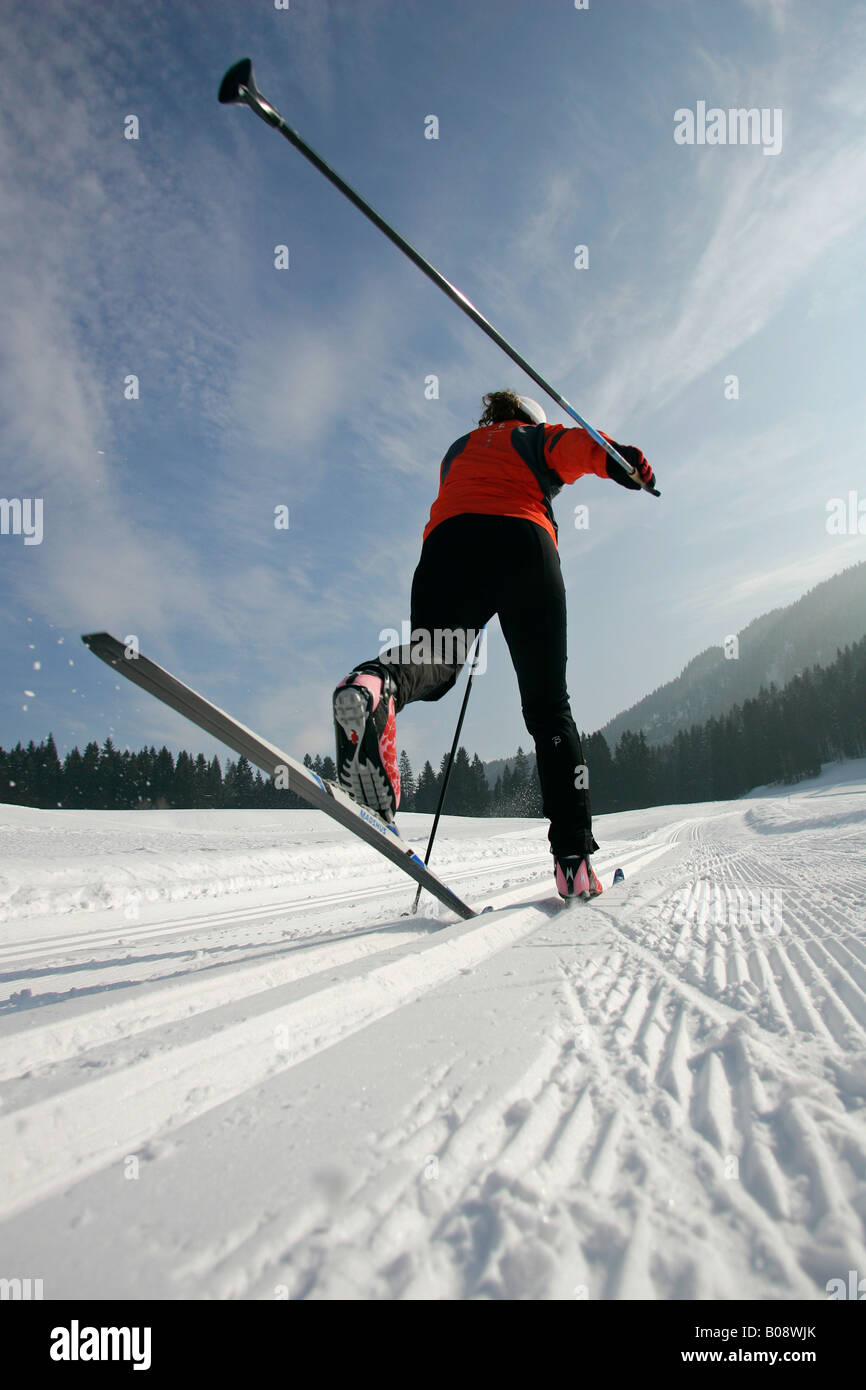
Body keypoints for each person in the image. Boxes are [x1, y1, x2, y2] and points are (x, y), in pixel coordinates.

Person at [332, 389, 656, 900]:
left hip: (447, 547)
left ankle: (374, 684)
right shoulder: (534, 438)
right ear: (529, 419)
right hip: (523, 543)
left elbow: (471, 494)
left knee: (432, 661)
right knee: (549, 709)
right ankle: (572, 863)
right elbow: (578, 447)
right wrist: (624, 463)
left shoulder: (457, 450)